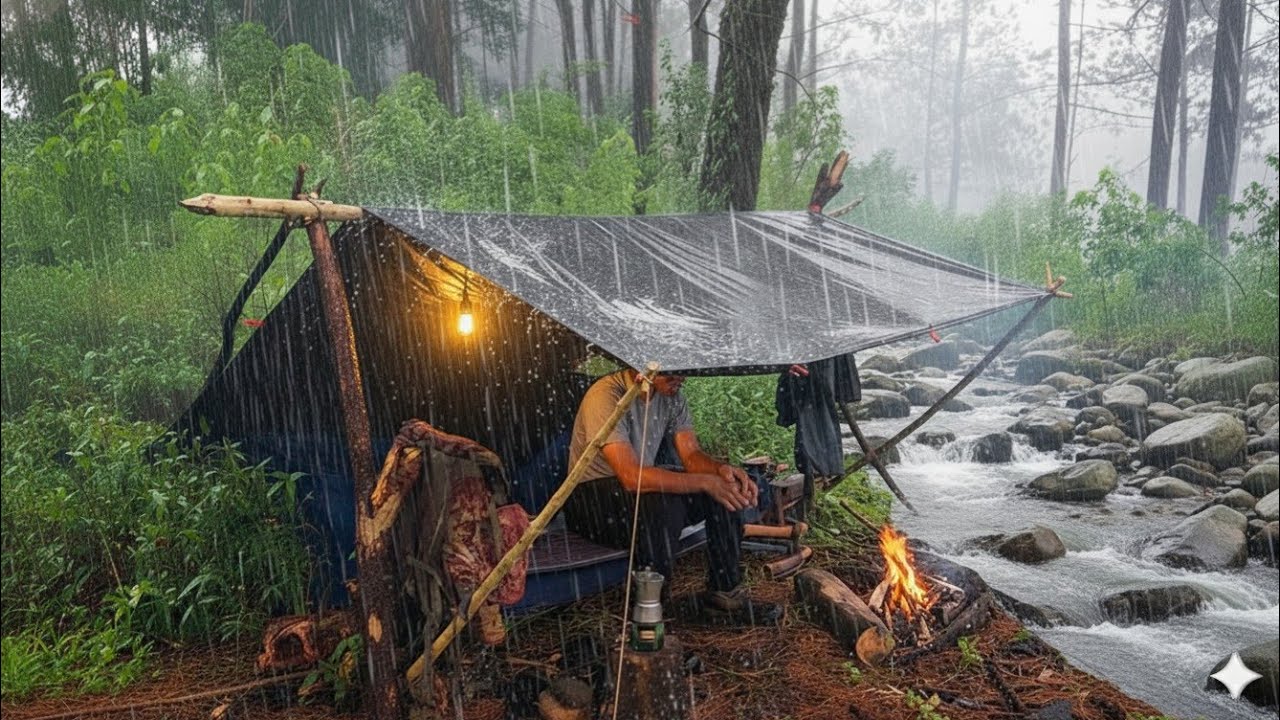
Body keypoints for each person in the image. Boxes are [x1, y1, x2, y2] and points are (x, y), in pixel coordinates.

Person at [563, 368, 783, 623]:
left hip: (635, 494)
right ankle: (648, 613)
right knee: (665, 502)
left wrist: (720, 471)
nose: (680, 378)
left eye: (682, 372)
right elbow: (630, 476)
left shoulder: (672, 396)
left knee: (725, 490)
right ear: (642, 365)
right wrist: (704, 481)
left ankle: (725, 594)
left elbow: (691, 456)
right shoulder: (606, 394)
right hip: (590, 504)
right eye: (671, 372)